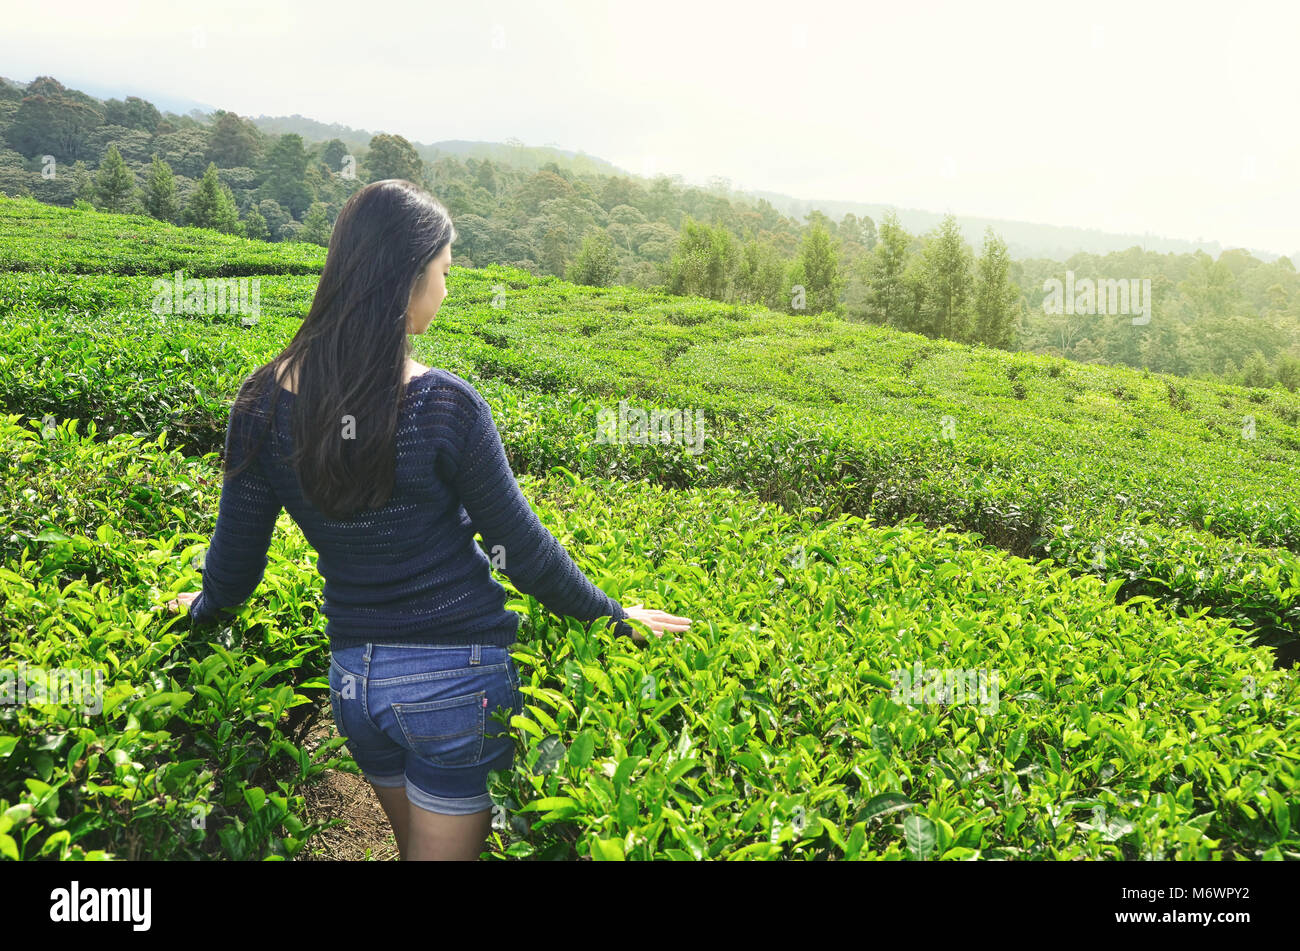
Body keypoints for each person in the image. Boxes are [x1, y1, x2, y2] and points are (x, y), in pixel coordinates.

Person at [163, 179, 692, 860]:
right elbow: (520, 549)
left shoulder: (262, 401)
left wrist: (204, 607)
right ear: (406, 280)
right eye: (444, 272)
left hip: (357, 685)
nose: (446, 289)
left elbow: (237, 562)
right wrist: (614, 616)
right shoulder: (444, 405)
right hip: (457, 682)